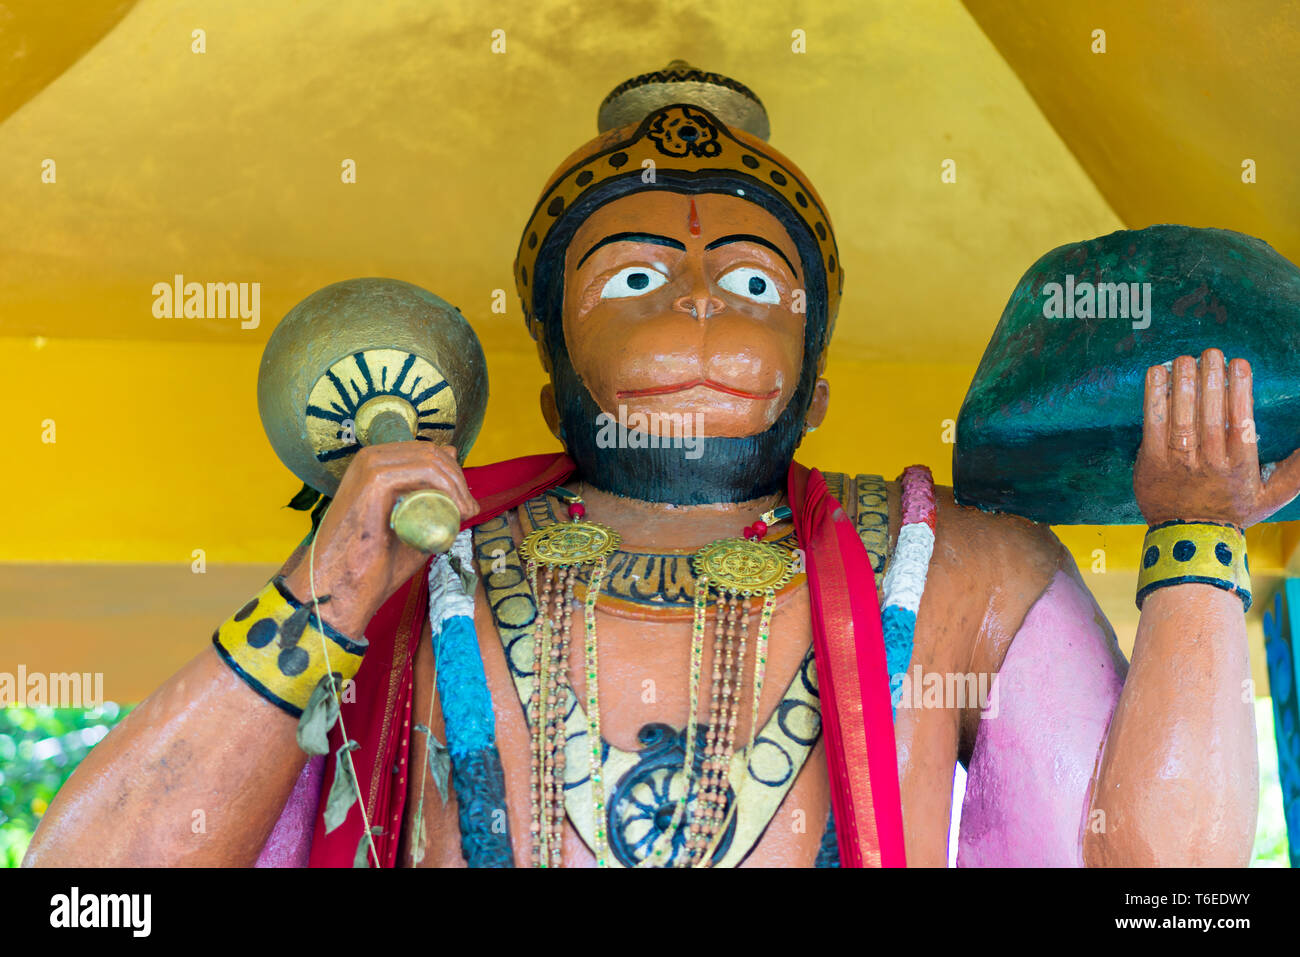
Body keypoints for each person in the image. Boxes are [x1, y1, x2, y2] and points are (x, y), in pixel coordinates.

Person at [26, 62, 1295, 868]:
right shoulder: (414, 558)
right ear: (547, 377)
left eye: (751, 282)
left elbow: (1168, 893)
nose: (696, 311)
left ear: (820, 380)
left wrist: (1193, 544)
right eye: (633, 275)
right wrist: (325, 587)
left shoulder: (959, 565)